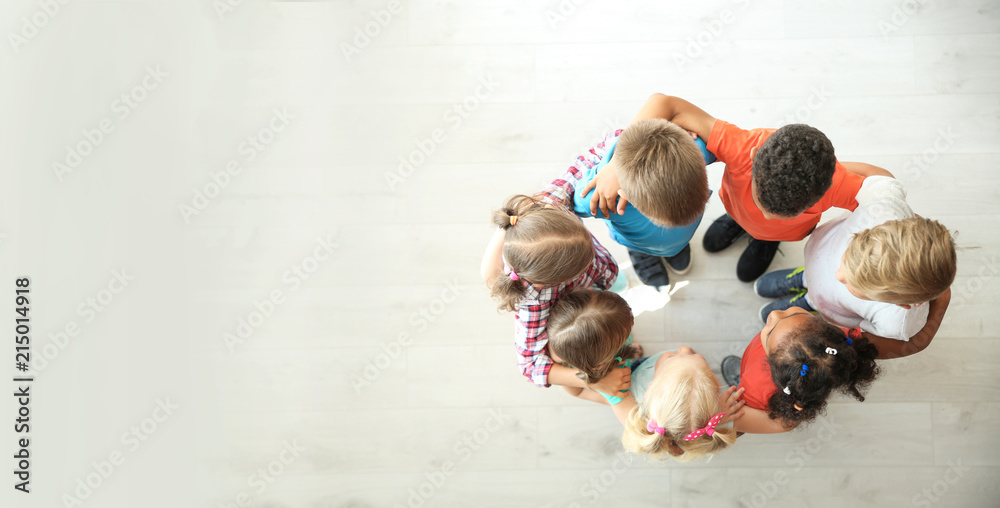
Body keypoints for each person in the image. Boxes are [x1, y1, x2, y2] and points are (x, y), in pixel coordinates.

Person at [584, 93, 892, 282]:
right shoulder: (744, 146)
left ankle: (764, 241)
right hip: (736, 210)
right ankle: (740, 225)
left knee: (764, 239)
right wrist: (616, 164)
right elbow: (665, 103)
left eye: (781, 213)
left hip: (788, 233)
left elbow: (885, 185)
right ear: (756, 166)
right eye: (763, 202)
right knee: (747, 223)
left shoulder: (836, 181)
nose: (770, 216)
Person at [754, 176, 956, 359]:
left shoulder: (896, 322)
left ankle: (809, 303)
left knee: (821, 299)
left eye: (852, 283)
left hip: (832, 303)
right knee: (816, 275)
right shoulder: (884, 205)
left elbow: (875, 343)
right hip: (820, 256)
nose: (838, 275)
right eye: (847, 258)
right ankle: (804, 278)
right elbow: (876, 178)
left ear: (903, 304)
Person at [481, 195, 627, 394]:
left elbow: (578, 169)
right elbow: (530, 365)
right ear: (549, 282)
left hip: (599, 285)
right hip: (577, 326)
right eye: (581, 264)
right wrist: (590, 381)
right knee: (595, 341)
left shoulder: (547, 208)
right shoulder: (534, 302)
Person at [724, 307, 881, 434]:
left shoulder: (756, 389)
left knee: (743, 386)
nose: (774, 313)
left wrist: (721, 417)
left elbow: (737, 425)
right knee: (749, 366)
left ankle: (740, 380)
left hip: (750, 391)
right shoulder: (831, 345)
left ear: (774, 368)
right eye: (795, 313)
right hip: (757, 365)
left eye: (771, 332)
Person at [547, 289, 639, 404]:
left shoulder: (562, 337)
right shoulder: (609, 376)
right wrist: (612, 397)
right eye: (626, 332)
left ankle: (629, 349)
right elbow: (578, 392)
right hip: (627, 377)